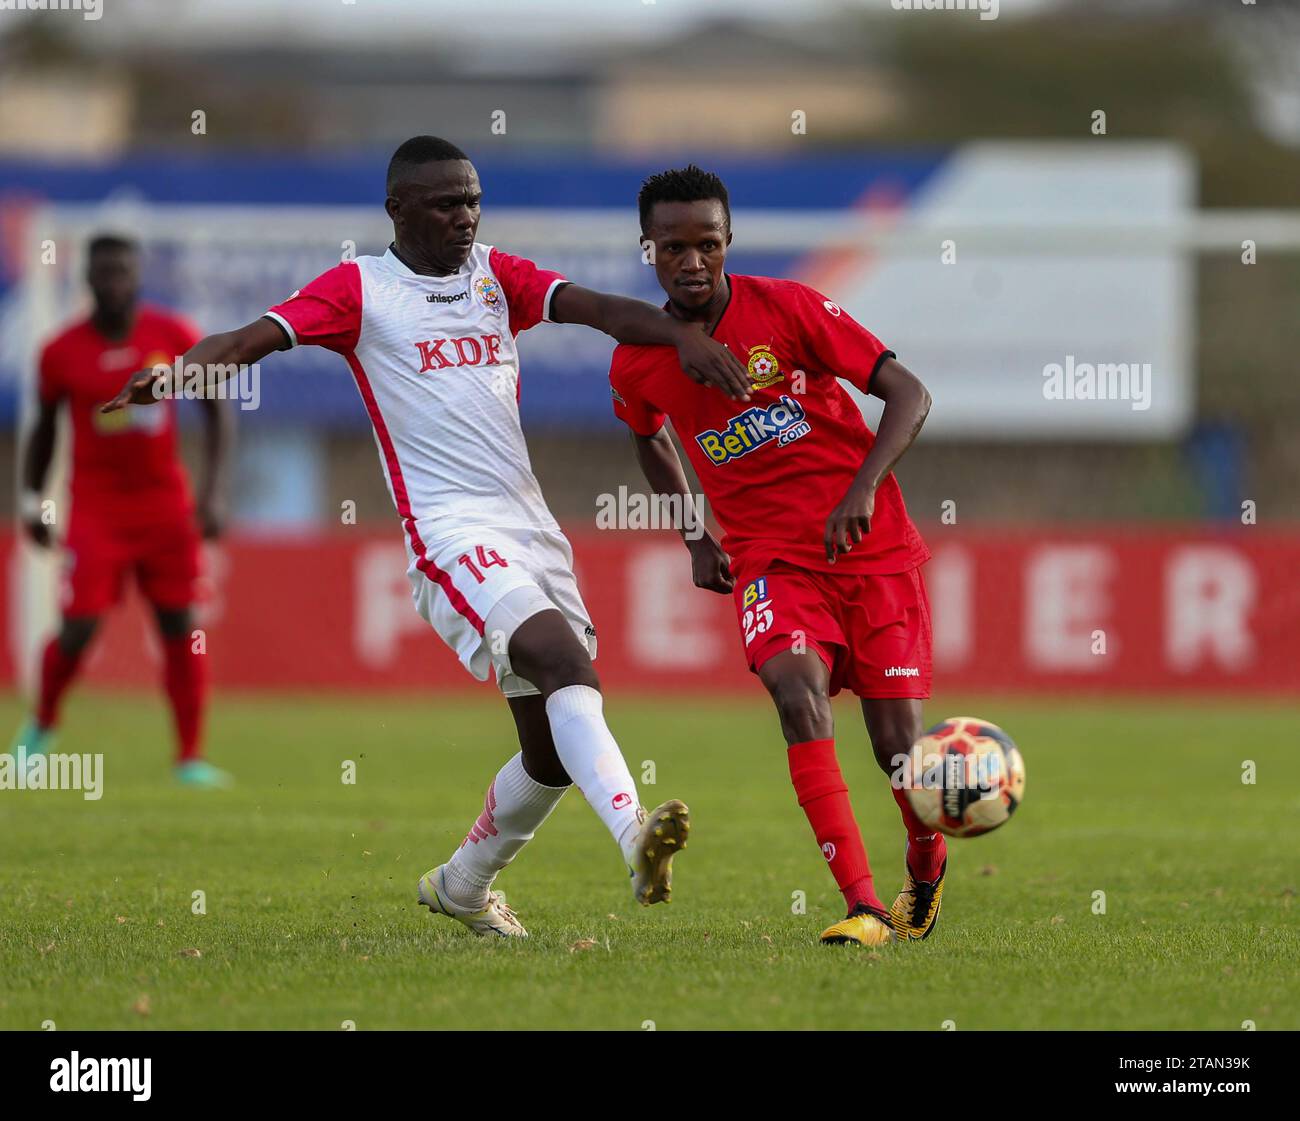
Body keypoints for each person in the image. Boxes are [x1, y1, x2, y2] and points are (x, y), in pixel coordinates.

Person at [104, 136, 754, 938]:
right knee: (564, 661)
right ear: (398, 209)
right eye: (446, 203)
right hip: (448, 530)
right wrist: (175, 373)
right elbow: (247, 342)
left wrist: (677, 334)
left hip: (530, 525)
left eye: (473, 201)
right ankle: (633, 838)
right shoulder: (360, 291)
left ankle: (462, 883)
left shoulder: (496, 276)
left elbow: (596, 308)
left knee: (549, 752)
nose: (464, 217)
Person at [608, 165, 943, 947]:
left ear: (729, 243)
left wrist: (862, 489)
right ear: (649, 250)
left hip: (874, 551)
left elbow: (909, 392)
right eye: (674, 247)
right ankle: (862, 905)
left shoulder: (787, 307)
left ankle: (925, 865)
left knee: (898, 751)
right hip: (773, 564)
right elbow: (647, 434)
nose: (692, 261)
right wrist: (694, 532)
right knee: (796, 691)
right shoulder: (638, 358)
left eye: (708, 244)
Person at [15, 234, 233, 788]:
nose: (114, 281)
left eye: (124, 271)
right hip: (95, 509)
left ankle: (189, 757)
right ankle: (39, 729)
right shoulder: (60, 351)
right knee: (79, 625)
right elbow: (43, 429)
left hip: (165, 508)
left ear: (137, 277)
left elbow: (217, 411)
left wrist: (215, 492)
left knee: (180, 626)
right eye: (104, 271)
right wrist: (30, 498)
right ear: (88, 279)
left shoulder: (172, 336)